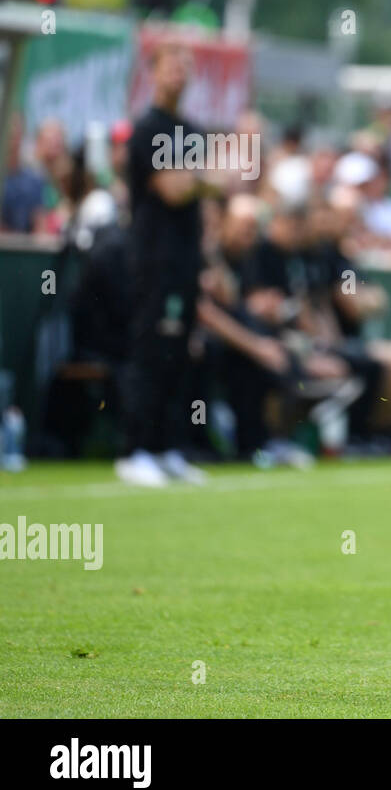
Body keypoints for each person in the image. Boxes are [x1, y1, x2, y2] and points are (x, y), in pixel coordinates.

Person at [116, 43, 218, 487]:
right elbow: (175, 189)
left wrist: (198, 180)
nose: (178, 73)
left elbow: (215, 182)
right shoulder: (145, 128)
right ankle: (134, 449)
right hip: (152, 258)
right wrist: (202, 179)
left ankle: (166, 448)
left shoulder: (193, 129)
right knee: (149, 350)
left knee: (179, 353)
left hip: (186, 259)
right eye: (169, 66)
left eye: (184, 67)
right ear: (153, 73)